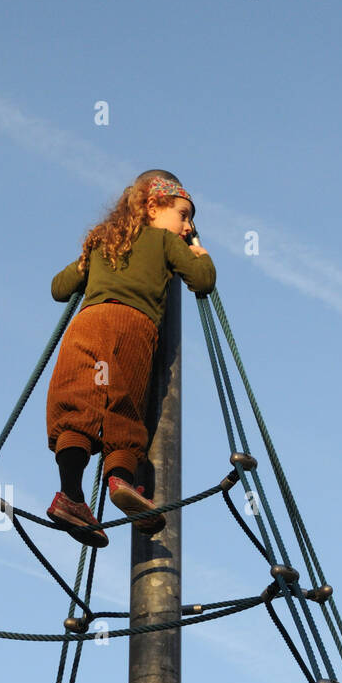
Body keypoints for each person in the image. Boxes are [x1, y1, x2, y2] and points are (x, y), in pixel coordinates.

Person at [45, 172, 216, 548]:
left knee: (75, 405)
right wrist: (200, 254)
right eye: (184, 215)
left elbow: (59, 289)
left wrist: (83, 265)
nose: (187, 226)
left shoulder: (102, 243)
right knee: (124, 407)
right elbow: (201, 281)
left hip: (86, 324)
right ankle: (121, 480)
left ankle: (70, 495)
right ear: (153, 207)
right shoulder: (164, 242)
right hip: (131, 325)